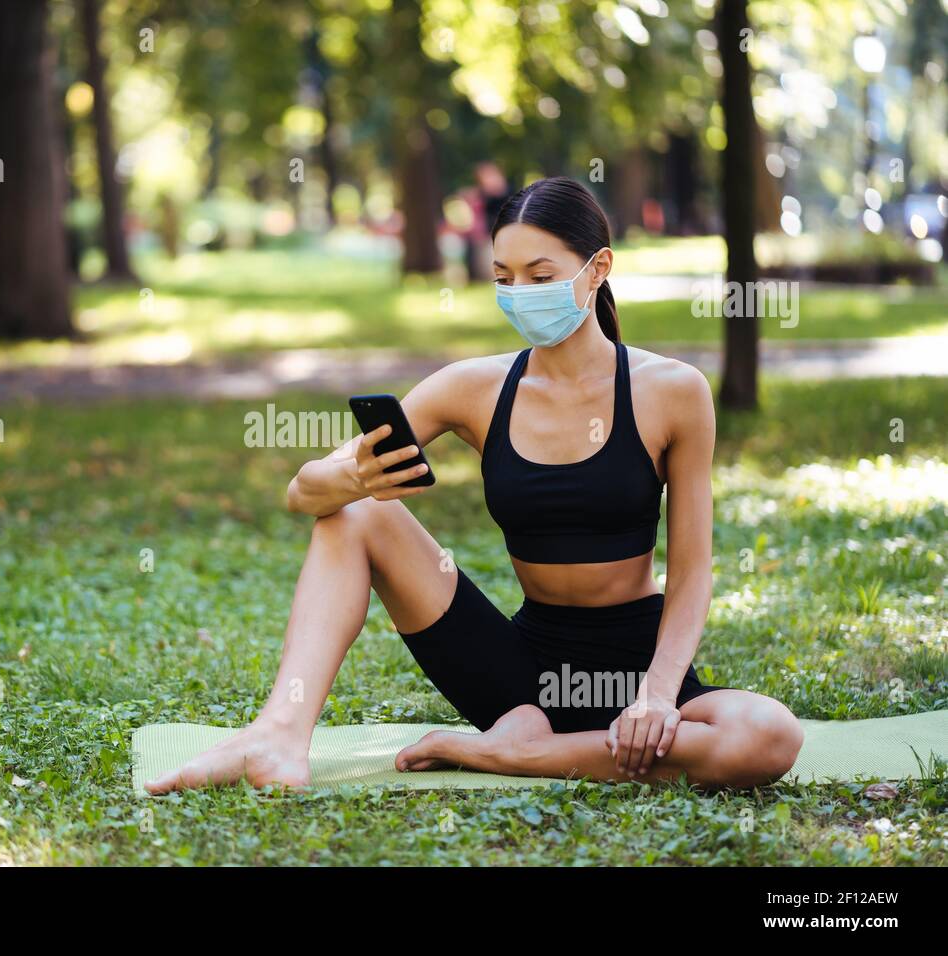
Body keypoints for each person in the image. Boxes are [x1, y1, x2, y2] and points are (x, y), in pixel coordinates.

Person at [144, 176, 804, 794]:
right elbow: (304, 491)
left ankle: (514, 753)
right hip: (517, 676)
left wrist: (659, 695)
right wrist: (352, 475)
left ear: (597, 269)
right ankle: (278, 735)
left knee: (768, 736)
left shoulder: (673, 393)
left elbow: (691, 572)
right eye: (503, 278)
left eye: (540, 276)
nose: (519, 293)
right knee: (356, 513)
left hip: (637, 669)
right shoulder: (475, 388)